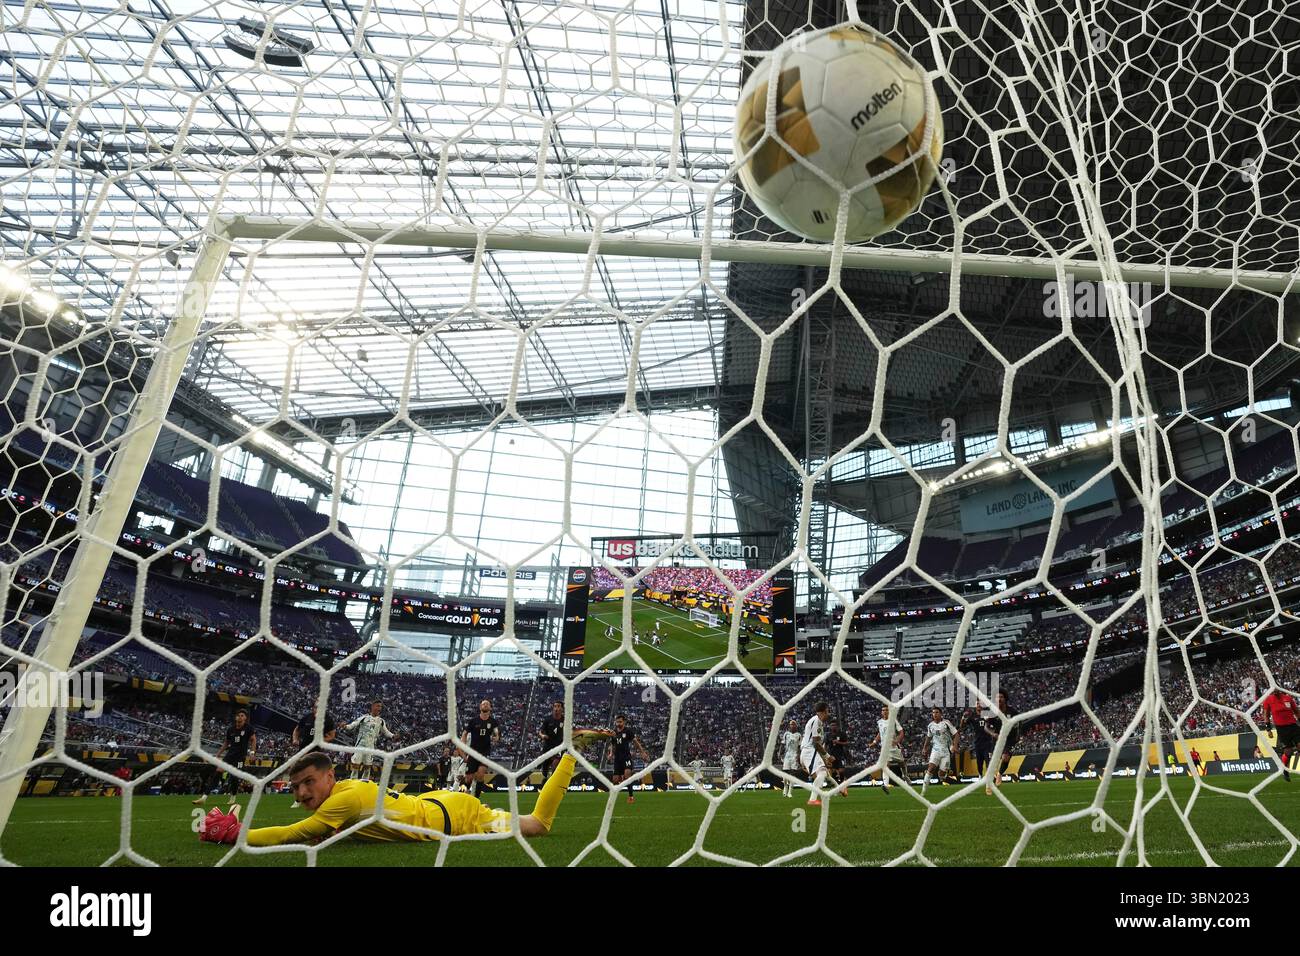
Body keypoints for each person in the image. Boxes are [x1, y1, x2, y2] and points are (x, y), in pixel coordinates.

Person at [201, 730, 611, 848]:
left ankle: (570, 752)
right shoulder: (344, 790)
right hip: (437, 804)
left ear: (329, 777)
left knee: (538, 826)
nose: (302, 793)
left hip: (455, 817)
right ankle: (570, 751)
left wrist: (239, 834)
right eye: (296, 787)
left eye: (309, 783)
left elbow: (295, 835)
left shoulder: (342, 799)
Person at [195, 709, 256, 804]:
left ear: (245, 719)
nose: (240, 717)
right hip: (229, 756)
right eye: (239, 715)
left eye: (242, 715)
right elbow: (226, 743)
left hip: (240, 757)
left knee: (235, 777)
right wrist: (218, 754)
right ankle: (204, 797)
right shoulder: (230, 730)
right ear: (236, 717)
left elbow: (253, 740)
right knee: (217, 773)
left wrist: (252, 753)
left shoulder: (248, 728)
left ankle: (233, 797)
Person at [342, 700, 398, 782]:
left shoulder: (381, 721)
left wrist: (393, 736)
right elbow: (352, 725)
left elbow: (386, 732)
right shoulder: (364, 718)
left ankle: (365, 783)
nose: (379, 708)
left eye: (380, 706)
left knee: (367, 767)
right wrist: (345, 726)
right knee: (356, 765)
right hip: (360, 745)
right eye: (378, 706)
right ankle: (353, 782)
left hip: (371, 747)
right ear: (372, 707)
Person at [461, 699, 502, 796]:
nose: (485, 705)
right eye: (483, 704)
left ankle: (476, 798)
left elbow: (496, 733)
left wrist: (496, 737)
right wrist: (463, 745)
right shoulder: (473, 721)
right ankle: (464, 795)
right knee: (469, 778)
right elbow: (465, 733)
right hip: (473, 752)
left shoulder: (493, 722)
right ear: (480, 707)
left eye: (487, 704)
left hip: (484, 752)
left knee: (480, 774)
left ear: (490, 708)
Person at [608, 714, 651, 803]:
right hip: (617, 759)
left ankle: (631, 797)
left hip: (626, 757)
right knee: (615, 779)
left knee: (627, 775)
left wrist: (642, 752)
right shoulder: (614, 732)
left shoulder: (628, 731)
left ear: (624, 722)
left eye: (620, 721)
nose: (618, 723)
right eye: (617, 722)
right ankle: (614, 795)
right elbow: (613, 745)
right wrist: (611, 754)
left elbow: (636, 742)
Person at [1259, 685, 1298, 781]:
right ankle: (1285, 770)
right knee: (1288, 752)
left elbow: (1296, 711)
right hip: (1281, 728)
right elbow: (1266, 715)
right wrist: (1268, 729)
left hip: (1293, 726)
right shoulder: (1268, 700)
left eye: (1276, 688)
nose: (1274, 690)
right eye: (1272, 689)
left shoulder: (1288, 698)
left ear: (1279, 688)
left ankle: (1294, 766)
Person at [800, 701, 836, 806]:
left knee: (823, 774)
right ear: (823, 711)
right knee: (823, 772)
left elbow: (817, 744)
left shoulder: (817, 721)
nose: (828, 713)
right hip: (809, 751)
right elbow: (816, 743)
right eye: (827, 711)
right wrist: (828, 756)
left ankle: (838, 790)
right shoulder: (816, 721)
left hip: (810, 752)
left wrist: (825, 758)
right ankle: (812, 800)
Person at [984, 691, 1019, 795]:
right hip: (997, 739)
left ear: (1005, 699)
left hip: (1010, 739)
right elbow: (986, 727)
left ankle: (999, 775)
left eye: (1001, 697)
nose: (999, 699)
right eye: (997, 697)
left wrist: (1018, 735)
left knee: (1005, 757)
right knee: (992, 764)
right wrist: (993, 734)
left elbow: (1019, 724)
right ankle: (988, 785)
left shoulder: (1012, 711)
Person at [870, 703, 907, 795]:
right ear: (881, 712)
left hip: (894, 747)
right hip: (885, 748)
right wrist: (874, 742)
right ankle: (885, 785)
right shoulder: (880, 722)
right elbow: (880, 733)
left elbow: (901, 732)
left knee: (902, 763)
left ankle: (906, 776)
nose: (885, 712)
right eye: (883, 710)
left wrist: (897, 740)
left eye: (886, 710)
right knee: (886, 765)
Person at [921, 707, 958, 794]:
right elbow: (929, 737)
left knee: (941, 774)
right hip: (935, 750)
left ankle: (942, 774)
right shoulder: (930, 725)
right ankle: (923, 791)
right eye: (933, 713)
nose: (935, 714)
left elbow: (956, 734)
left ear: (941, 714)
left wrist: (955, 746)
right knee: (930, 768)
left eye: (937, 712)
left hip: (946, 751)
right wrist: (924, 748)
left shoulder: (946, 723)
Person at [537, 701, 566, 782]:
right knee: (545, 770)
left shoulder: (565, 720)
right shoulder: (548, 720)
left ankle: (553, 782)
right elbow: (540, 732)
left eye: (558, 706)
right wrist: (542, 736)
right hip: (548, 746)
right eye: (555, 706)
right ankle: (545, 778)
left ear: (562, 709)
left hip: (559, 746)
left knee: (555, 764)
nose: (556, 708)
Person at [779, 719, 802, 798]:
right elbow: (782, 744)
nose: (792, 726)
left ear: (796, 726)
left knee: (793, 773)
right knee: (785, 773)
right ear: (789, 726)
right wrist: (779, 753)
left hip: (794, 755)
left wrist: (798, 756)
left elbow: (799, 747)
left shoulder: (798, 735)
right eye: (791, 724)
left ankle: (790, 792)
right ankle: (785, 787)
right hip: (787, 755)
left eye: (793, 724)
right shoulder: (786, 734)